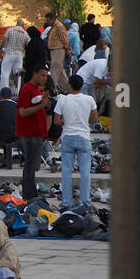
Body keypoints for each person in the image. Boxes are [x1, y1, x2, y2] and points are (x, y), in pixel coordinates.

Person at [55, 74, 98, 207]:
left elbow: (56, 120)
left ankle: (67, 202)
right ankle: (85, 202)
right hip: (84, 137)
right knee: (85, 171)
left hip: (68, 136)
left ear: (69, 85)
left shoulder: (63, 99)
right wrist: (85, 120)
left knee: (67, 171)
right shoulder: (89, 99)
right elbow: (95, 120)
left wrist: (65, 122)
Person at [16, 65, 52, 200]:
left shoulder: (37, 90)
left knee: (33, 164)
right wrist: (41, 106)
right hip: (30, 132)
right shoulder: (27, 89)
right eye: (42, 75)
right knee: (31, 164)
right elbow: (22, 112)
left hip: (37, 131)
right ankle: (29, 194)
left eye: (46, 76)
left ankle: (31, 192)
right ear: (35, 73)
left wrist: (45, 103)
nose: (45, 78)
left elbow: (37, 106)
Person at [0, 19, 29, 92]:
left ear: (16, 24)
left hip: (9, 53)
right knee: (18, 74)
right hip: (19, 55)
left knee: (5, 73)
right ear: (22, 25)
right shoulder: (25, 33)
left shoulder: (10, 30)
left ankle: (4, 90)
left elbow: (4, 39)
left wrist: (0, 48)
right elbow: (28, 44)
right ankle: (18, 90)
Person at [44, 11, 70, 90]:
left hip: (58, 49)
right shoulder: (53, 27)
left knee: (54, 69)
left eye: (48, 20)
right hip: (54, 50)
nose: (47, 22)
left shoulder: (59, 26)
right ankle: (69, 88)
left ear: (53, 19)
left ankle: (51, 88)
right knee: (60, 71)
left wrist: (66, 49)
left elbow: (64, 38)